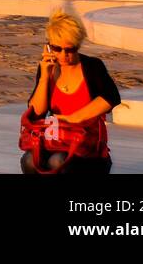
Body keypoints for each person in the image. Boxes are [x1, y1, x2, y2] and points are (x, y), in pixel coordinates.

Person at [22, 9, 120, 174]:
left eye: (70, 49)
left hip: (88, 149)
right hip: (57, 141)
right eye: (57, 49)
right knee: (29, 160)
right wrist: (45, 77)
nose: (64, 55)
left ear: (78, 45)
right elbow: (37, 112)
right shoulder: (48, 69)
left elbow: (111, 98)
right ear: (49, 46)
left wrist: (73, 118)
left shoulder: (92, 67)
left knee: (58, 161)